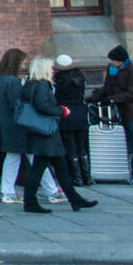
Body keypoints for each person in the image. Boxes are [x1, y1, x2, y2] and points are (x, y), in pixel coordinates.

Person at [21, 57, 98, 213]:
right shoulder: (42, 85)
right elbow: (42, 105)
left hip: (43, 131)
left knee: (60, 168)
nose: (53, 70)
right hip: (46, 132)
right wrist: (61, 110)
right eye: (50, 67)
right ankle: (30, 202)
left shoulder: (30, 84)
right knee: (38, 168)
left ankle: (75, 200)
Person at [0, 47, 65, 205]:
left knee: (13, 158)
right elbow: (17, 104)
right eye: (23, 62)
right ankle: (52, 191)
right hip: (19, 125)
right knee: (36, 157)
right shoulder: (13, 81)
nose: (24, 66)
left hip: (7, 124)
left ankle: (8, 192)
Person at [88, 45, 133, 185]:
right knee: (120, 143)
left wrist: (114, 98)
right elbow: (107, 87)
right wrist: (95, 97)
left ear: (121, 60)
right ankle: (122, 170)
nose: (111, 62)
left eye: (113, 60)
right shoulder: (112, 70)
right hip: (117, 112)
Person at [53, 54, 90, 185]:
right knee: (82, 146)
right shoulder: (80, 77)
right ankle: (87, 176)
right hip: (80, 113)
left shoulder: (59, 79)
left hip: (67, 115)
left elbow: (56, 98)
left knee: (70, 146)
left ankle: (76, 177)